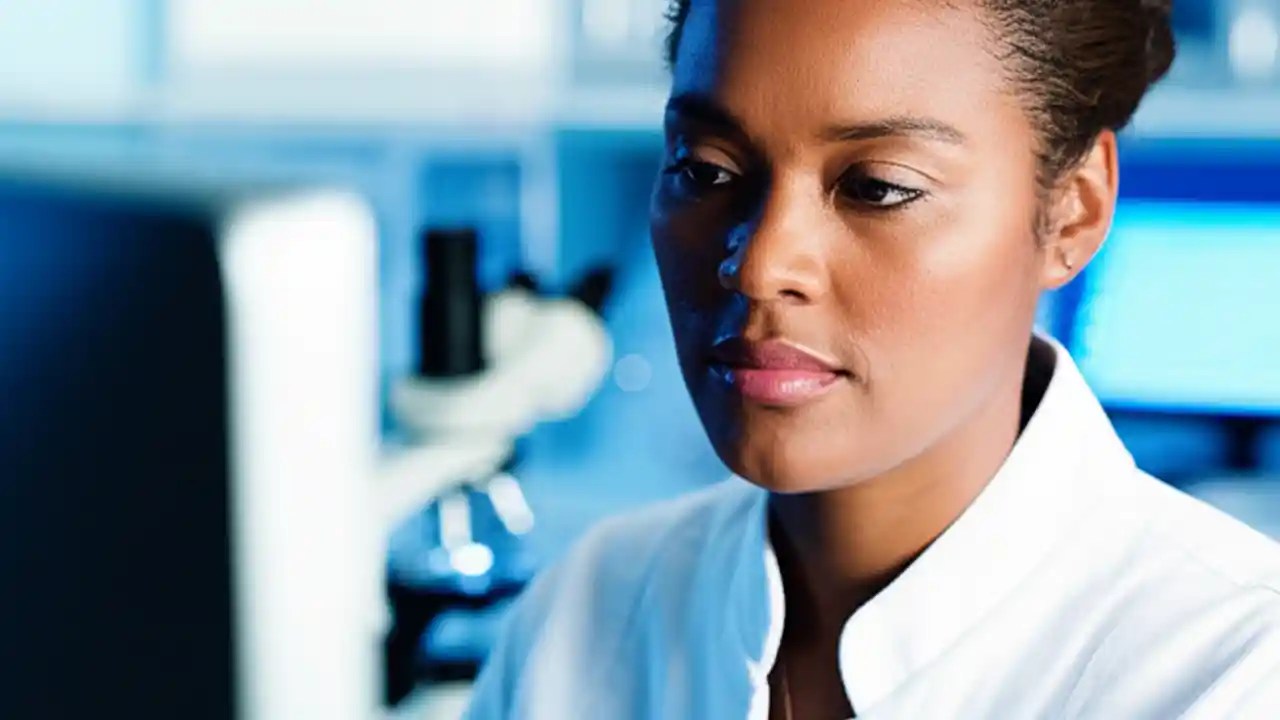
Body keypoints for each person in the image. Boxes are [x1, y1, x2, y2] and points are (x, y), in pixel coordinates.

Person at [467, 0, 1280, 717]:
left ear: (1073, 212)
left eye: (879, 187)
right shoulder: (589, 615)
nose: (759, 266)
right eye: (705, 169)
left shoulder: (1232, 671)